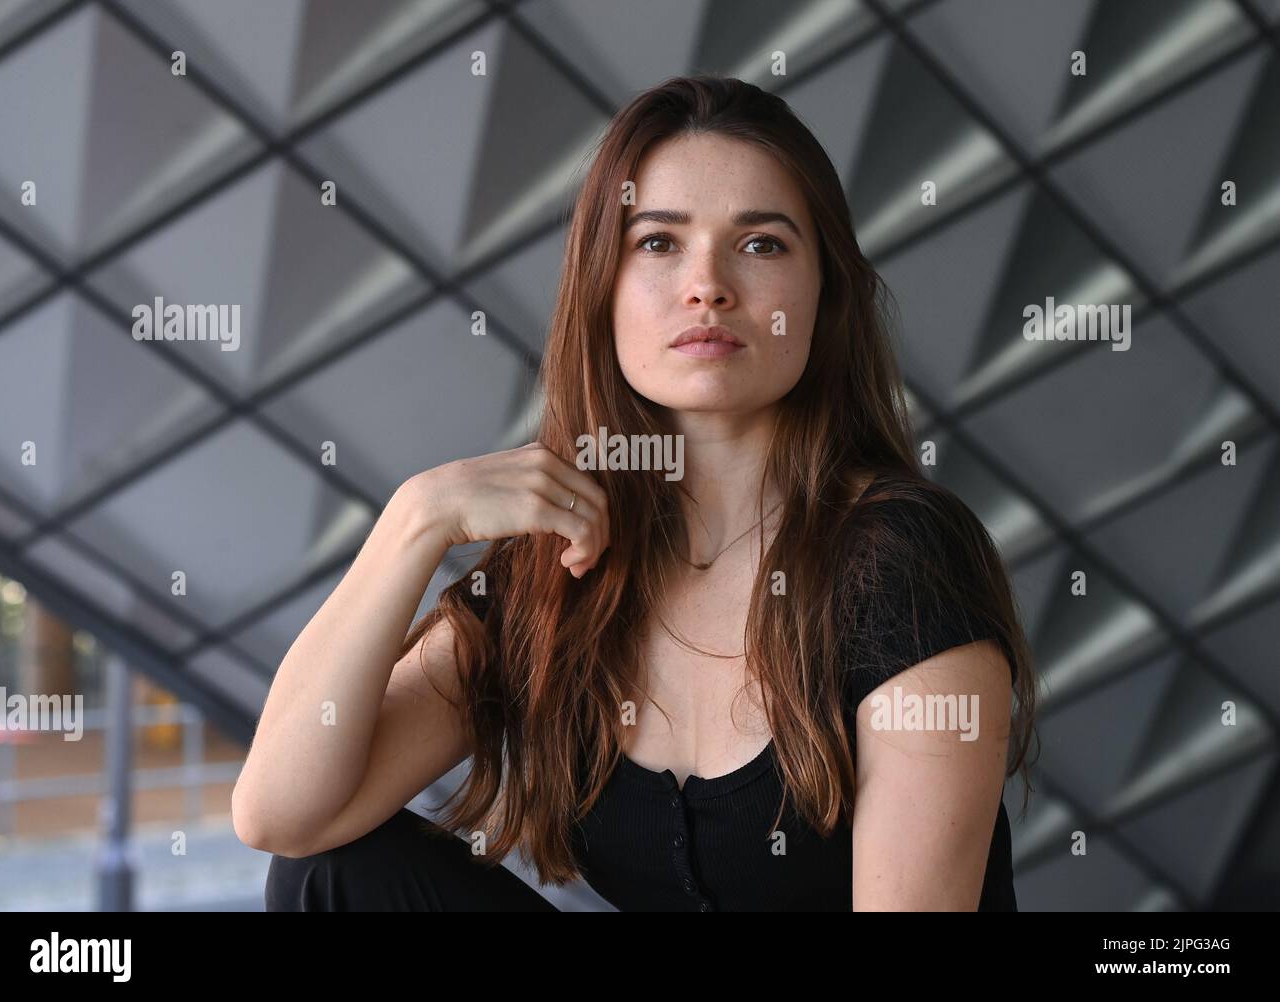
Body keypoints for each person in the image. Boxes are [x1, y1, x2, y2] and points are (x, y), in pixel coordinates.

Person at [237, 74, 1039, 912]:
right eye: (658, 243)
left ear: (824, 295)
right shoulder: (556, 572)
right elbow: (282, 816)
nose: (708, 286)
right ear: (603, 286)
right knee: (329, 874)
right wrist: (414, 521)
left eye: (761, 244)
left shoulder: (901, 559)